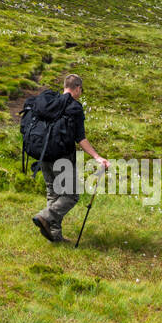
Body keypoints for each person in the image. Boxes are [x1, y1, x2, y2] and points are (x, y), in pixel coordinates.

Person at [32, 73, 109, 243]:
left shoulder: (50, 104)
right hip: (62, 158)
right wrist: (97, 157)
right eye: (82, 90)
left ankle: (54, 235)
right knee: (72, 195)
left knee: (53, 193)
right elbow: (80, 138)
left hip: (43, 154)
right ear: (78, 88)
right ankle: (45, 216)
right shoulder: (74, 108)